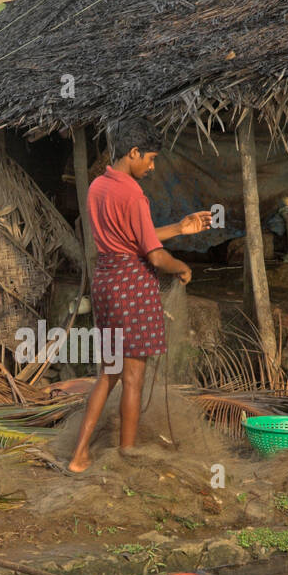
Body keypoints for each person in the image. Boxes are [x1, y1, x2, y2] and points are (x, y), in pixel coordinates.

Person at [67, 118, 212, 473]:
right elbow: (153, 256)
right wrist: (180, 267)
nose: (152, 165)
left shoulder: (98, 185)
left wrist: (179, 227)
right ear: (132, 153)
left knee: (108, 373)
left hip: (106, 283)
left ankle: (79, 454)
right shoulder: (133, 193)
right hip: (133, 288)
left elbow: (134, 238)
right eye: (149, 158)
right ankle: (126, 459)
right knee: (132, 380)